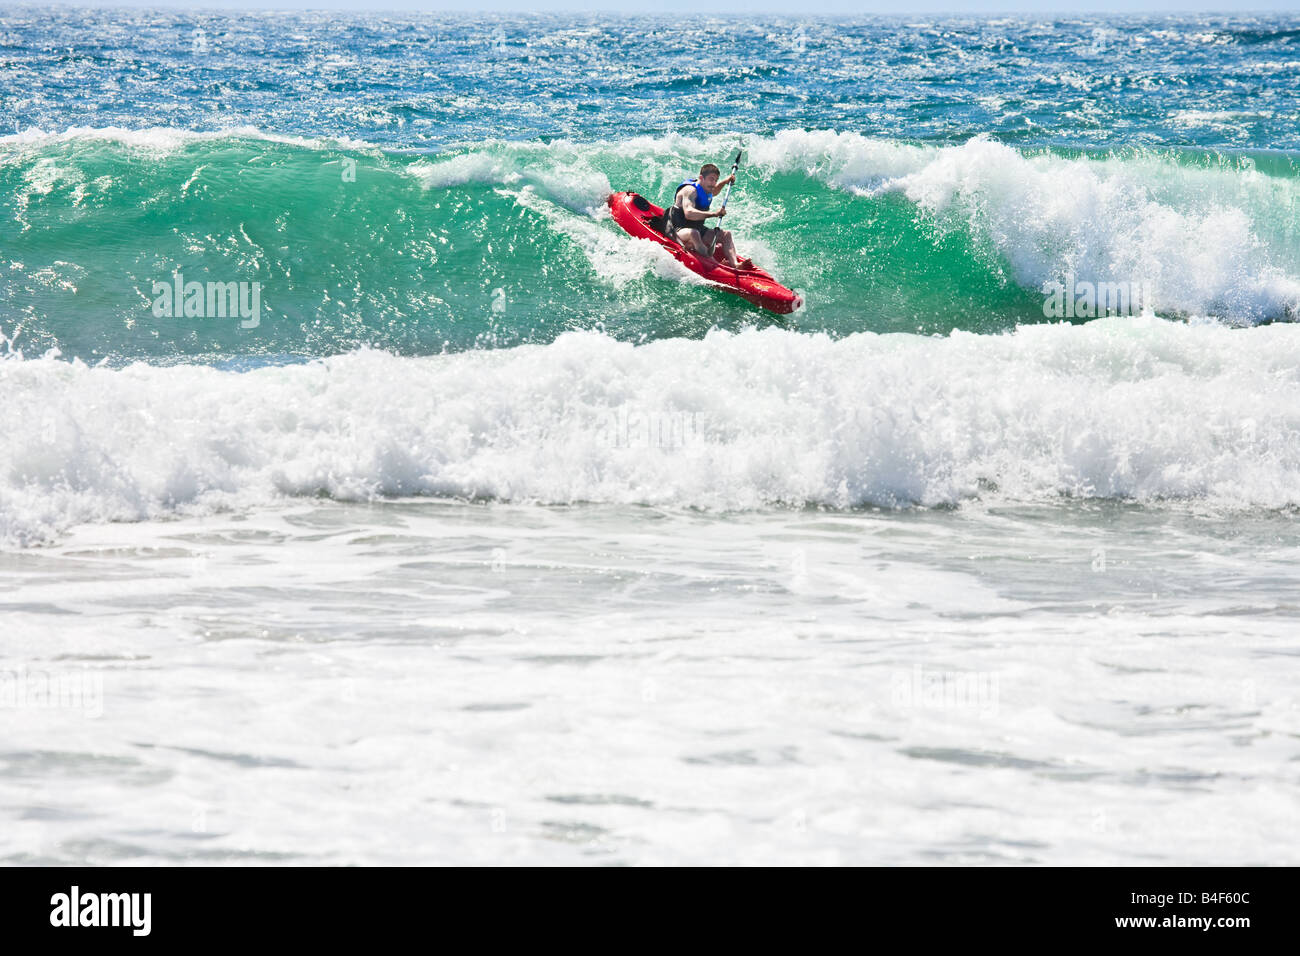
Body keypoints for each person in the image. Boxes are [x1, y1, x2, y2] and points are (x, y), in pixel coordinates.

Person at [666, 163, 739, 268]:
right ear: (701, 178)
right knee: (694, 234)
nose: (714, 183)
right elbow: (688, 213)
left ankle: (735, 264)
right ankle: (715, 265)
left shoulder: (707, 188)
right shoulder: (690, 191)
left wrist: (725, 181)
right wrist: (714, 214)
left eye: (716, 180)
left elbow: (714, 191)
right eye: (711, 179)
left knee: (726, 235)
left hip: (697, 228)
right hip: (677, 229)